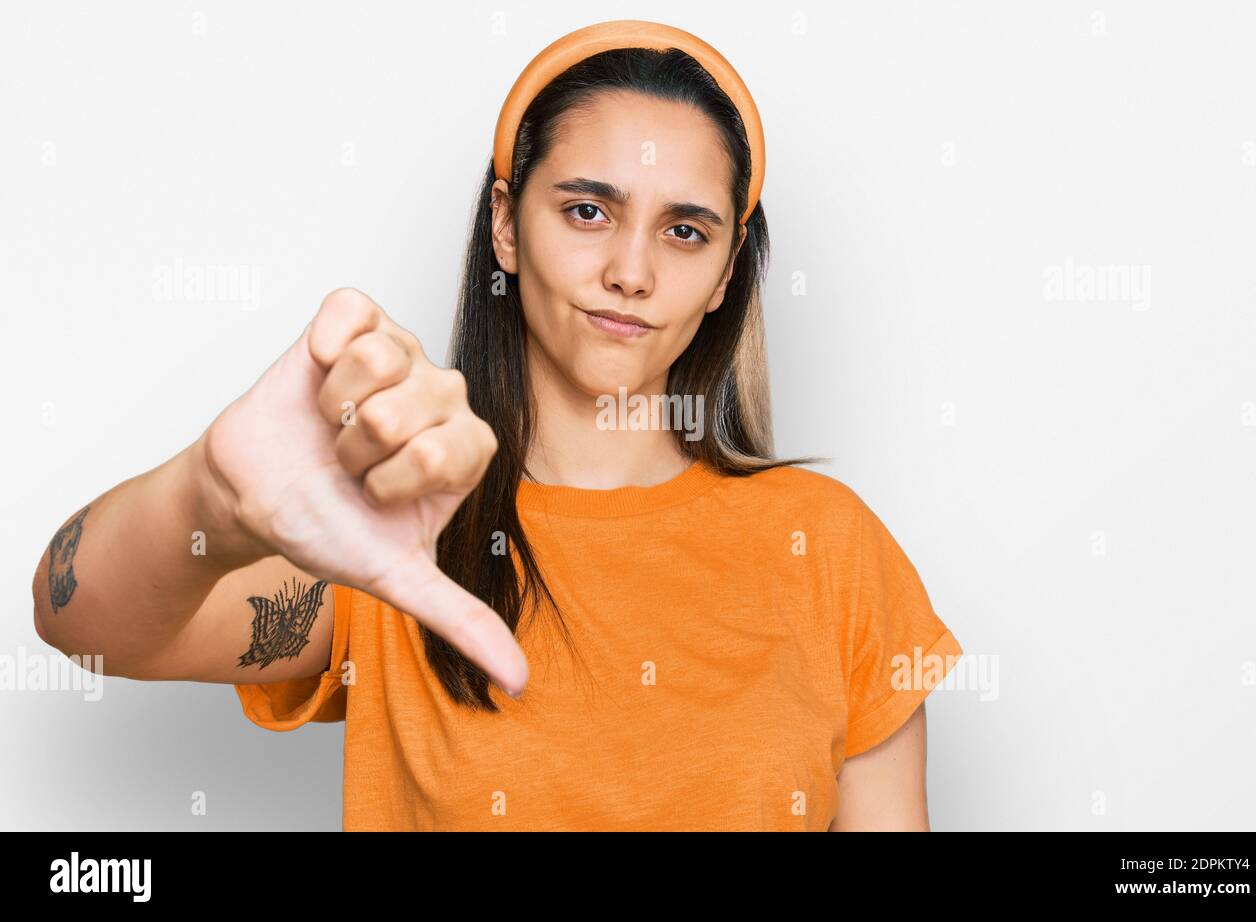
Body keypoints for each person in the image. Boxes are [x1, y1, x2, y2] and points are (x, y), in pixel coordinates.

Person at [31, 20, 963, 831]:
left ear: (725, 276)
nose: (631, 272)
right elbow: (80, 621)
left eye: (685, 230)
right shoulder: (393, 530)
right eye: (589, 211)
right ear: (508, 227)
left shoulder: (831, 548)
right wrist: (210, 496)